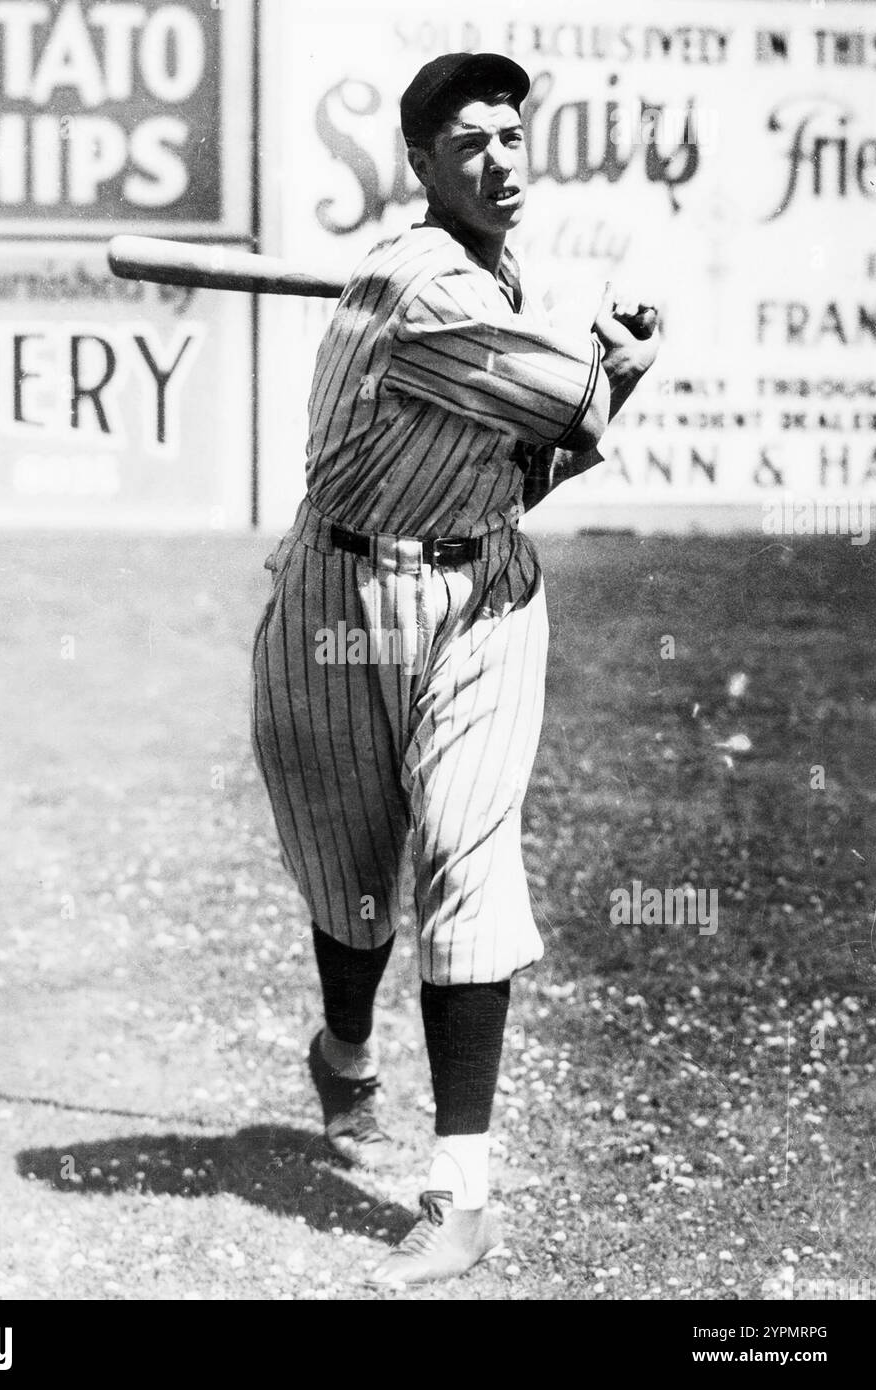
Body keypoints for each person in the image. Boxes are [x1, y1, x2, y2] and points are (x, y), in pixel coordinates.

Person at [251, 51, 660, 1288]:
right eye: (468, 142)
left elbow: (532, 472)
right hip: (342, 591)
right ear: (422, 164)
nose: (499, 159)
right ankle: (341, 1043)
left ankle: (461, 1194)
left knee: (464, 866)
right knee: (352, 883)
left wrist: (593, 388)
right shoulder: (426, 289)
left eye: (512, 136)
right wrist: (617, 370)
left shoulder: (481, 277)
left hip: (481, 593)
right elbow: (581, 407)